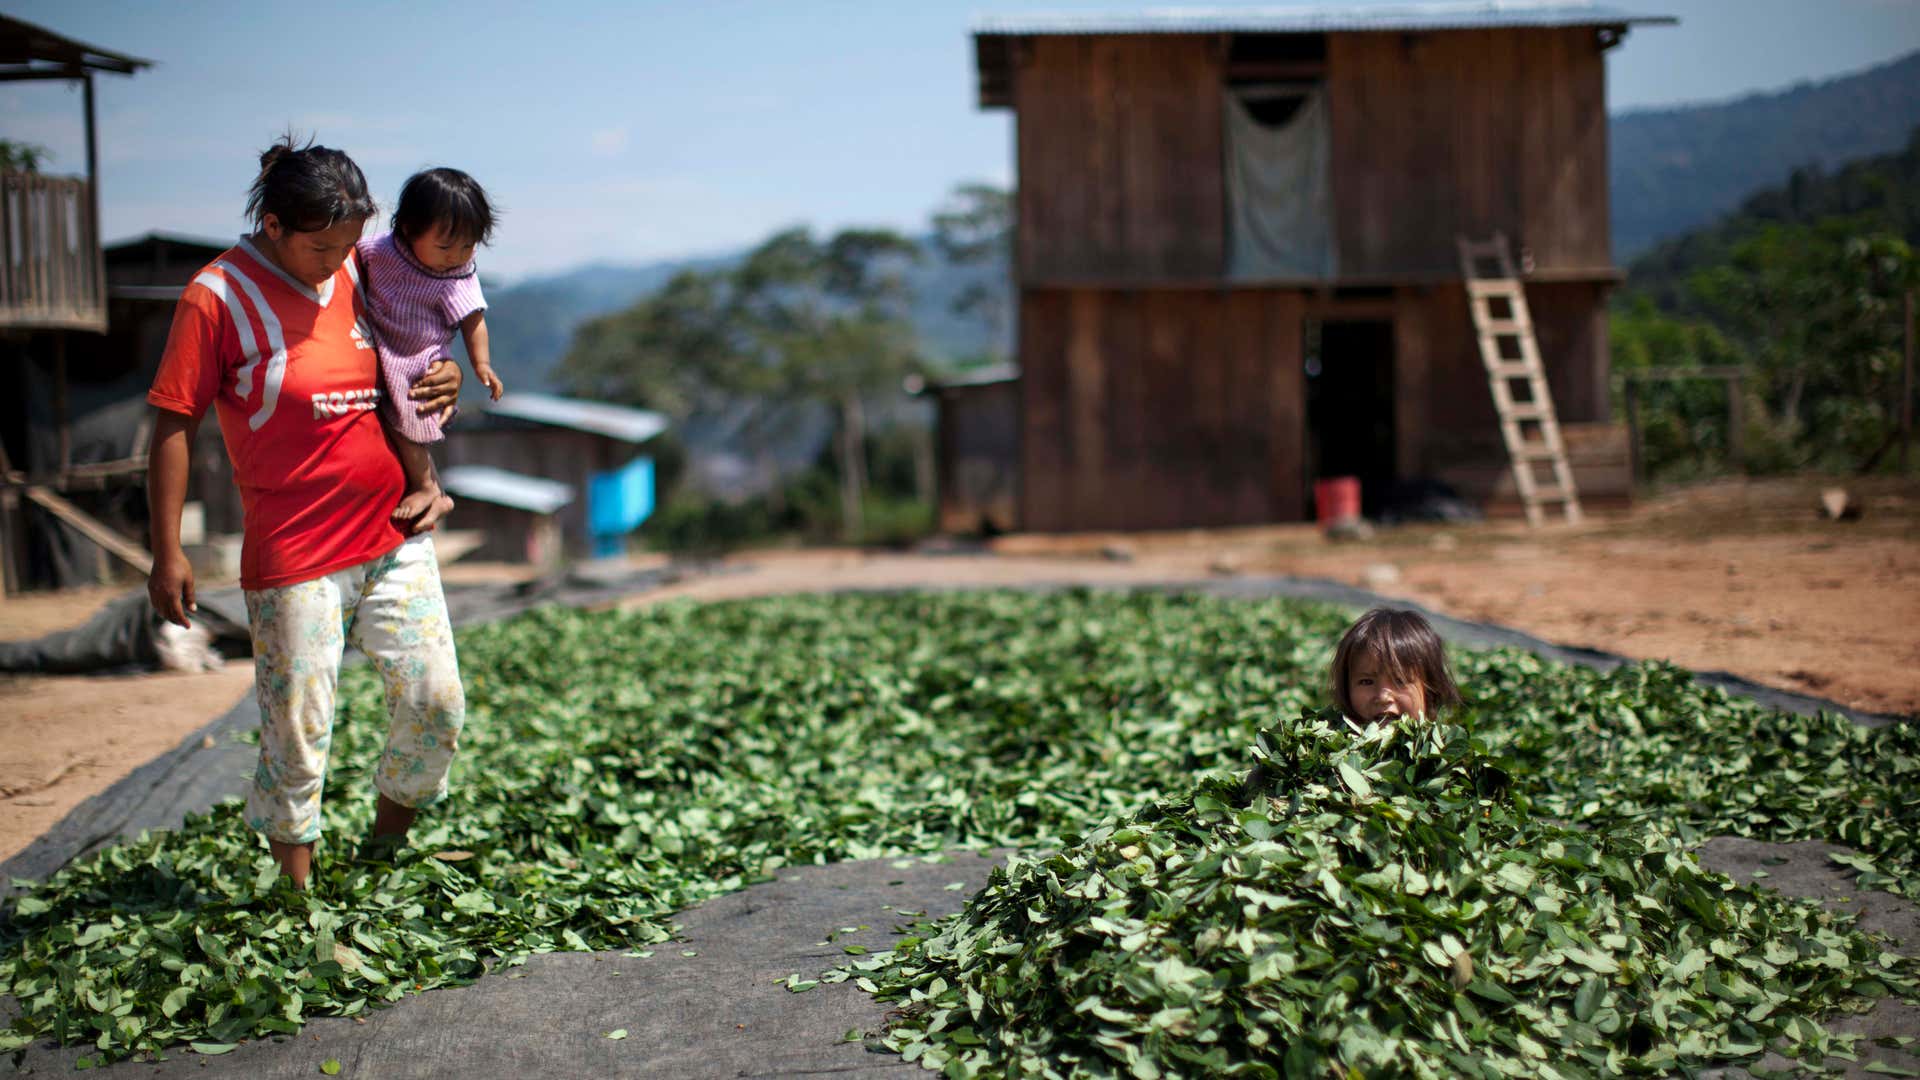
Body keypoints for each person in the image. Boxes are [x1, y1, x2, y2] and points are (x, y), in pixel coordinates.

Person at [145, 136, 468, 889]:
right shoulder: (215, 299)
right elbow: (171, 423)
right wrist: (167, 552)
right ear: (274, 228)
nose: (339, 260)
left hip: (393, 532)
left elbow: (415, 344)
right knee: (297, 732)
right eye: (323, 246)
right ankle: (299, 902)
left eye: (350, 242)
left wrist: (446, 373)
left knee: (436, 702)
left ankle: (385, 856)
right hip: (295, 553)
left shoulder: (361, 268)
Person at [356, 167, 504, 523]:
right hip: (385, 343)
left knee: (407, 419)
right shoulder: (380, 249)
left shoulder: (458, 275)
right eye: (444, 245)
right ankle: (435, 491)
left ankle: (426, 486)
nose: (456, 255)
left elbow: (473, 321)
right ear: (408, 229)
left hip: (421, 355)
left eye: (468, 245)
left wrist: (481, 365)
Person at [1327, 607, 1463, 725]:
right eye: (1366, 682)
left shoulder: (1444, 753)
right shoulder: (1332, 750)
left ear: (1431, 690)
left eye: (1400, 681)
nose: (1383, 697)